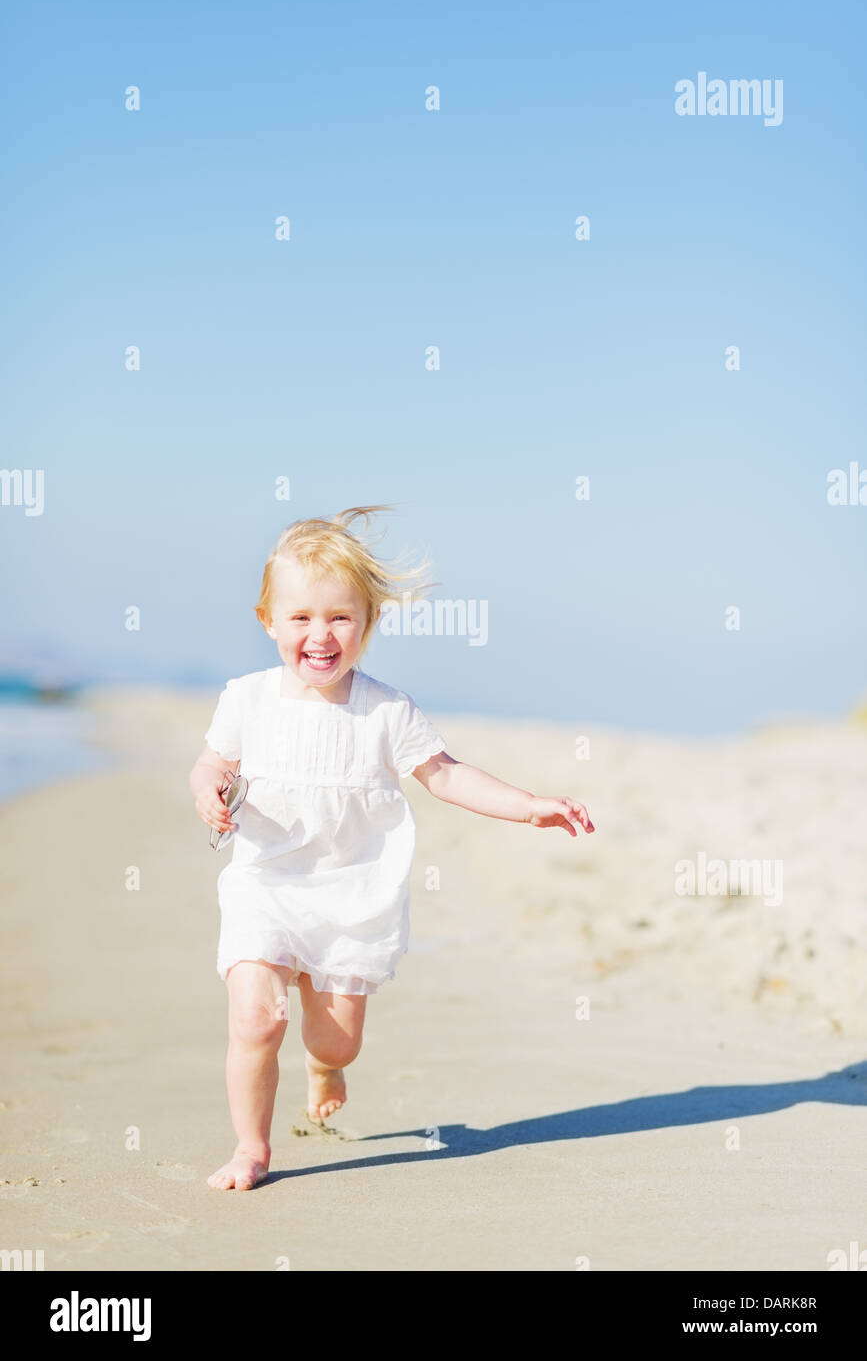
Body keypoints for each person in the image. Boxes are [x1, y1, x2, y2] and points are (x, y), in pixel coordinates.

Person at [189, 505, 594, 1190]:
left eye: (339, 618)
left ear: (367, 625)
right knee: (256, 1017)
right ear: (267, 621)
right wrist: (209, 787)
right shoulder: (245, 699)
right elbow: (210, 763)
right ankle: (250, 1148)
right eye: (300, 618)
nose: (320, 635)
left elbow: (445, 774)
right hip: (266, 882)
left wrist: (527, 806)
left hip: (350, 893)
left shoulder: (385, 710)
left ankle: (326, 1065)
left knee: (335, 1036)